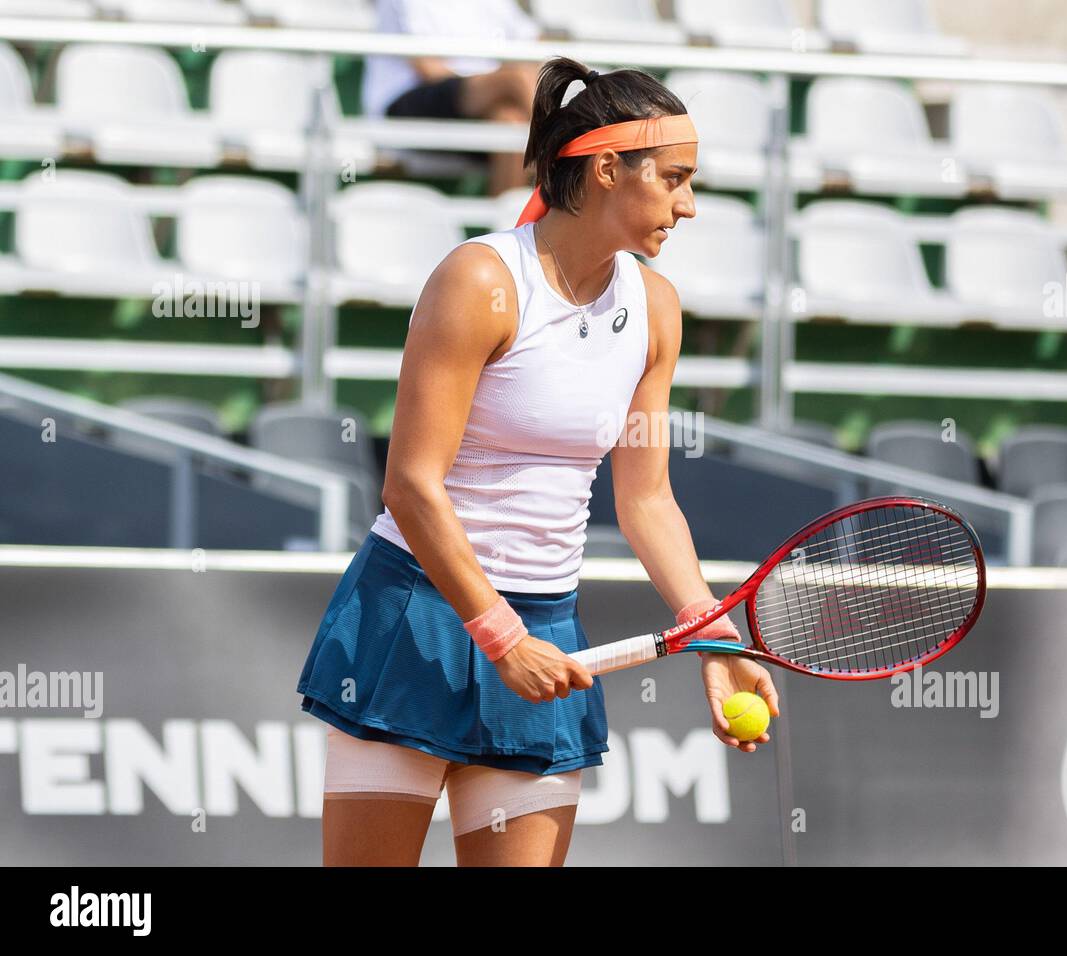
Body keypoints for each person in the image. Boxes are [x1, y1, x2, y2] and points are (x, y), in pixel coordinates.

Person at [297, 56, 781, 867]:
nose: (689, 205)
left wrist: (714, 634)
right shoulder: (480, 281)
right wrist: (499, 634)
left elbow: (648, 500)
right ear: (604, 170)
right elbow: (411, 486)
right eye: (674, 179)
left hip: (548, 627)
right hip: (419, 614)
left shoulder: (656, 309)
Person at [363, 0, 540, 195]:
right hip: (405, 99)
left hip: (466, 95)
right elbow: (429, 69)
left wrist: (489, 90)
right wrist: (491, 86)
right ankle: (557, 150)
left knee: (510, 122)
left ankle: (506, 223)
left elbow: (531, 41)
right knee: (516, 79)